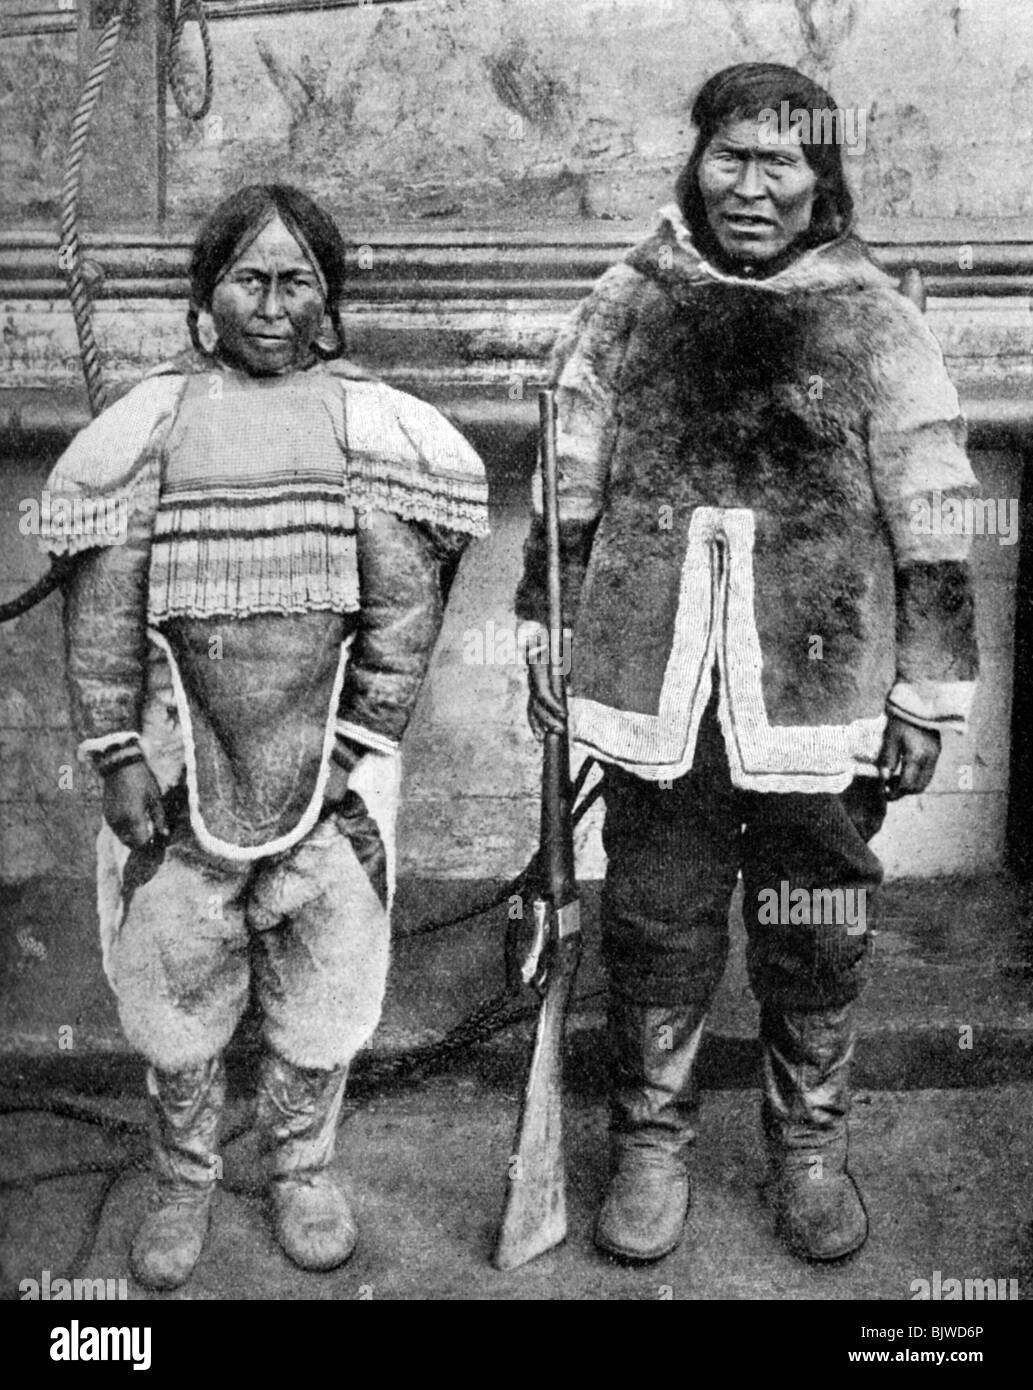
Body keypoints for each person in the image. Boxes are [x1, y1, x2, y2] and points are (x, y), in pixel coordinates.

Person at [516, 63, 978, 1264]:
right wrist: (543, 632)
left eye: (782, 162)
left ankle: (810, 1146)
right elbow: (565, 483)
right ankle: (651, 1142)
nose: (752, 186)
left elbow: (932, 509)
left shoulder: (872, 317)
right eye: (732, 155)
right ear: (695, 161)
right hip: (650, 681)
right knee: (659, 916)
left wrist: (925, 690)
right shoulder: (628, 303)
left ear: (822, 180)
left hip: (819, 696)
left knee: (812, 914)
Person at [39, 184, 488, 1289]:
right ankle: (185, 1177)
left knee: (327, 969)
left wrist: (353, 747)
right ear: (208, 295)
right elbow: (102, 614)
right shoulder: (150, 424)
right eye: (250, 279)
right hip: (181, 758)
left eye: (297, 282)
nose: (273, 305)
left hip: (331, 763)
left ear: (328, 297)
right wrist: (117, 752)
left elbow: (400, 613)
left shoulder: (367, 426)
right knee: (174, 974)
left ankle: (302, 1167)